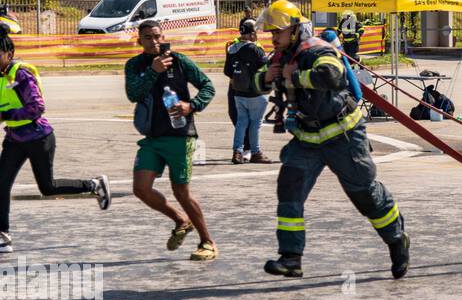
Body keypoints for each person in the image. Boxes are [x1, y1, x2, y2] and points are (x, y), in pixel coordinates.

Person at [256, 0, 409, 279]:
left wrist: (297, 77)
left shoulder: (317, 49)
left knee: (366, 196)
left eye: (277, 32)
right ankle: (291, 258)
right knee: (289, 189)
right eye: (271, 33)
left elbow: (332, 76)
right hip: (307, 139)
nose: (272, 37)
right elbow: (245, 83)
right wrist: (265, 77)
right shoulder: (280, 57)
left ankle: (397, 238)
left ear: (293, 30)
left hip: (344, 136)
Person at [0, 27, 110, 254]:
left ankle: (94, 185)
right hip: (14, 139)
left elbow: (37, 107)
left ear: (9, 54)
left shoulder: (20, 74)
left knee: (47, 187)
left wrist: (6, 116)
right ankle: (3, 235)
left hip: (38, 137)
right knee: (1, 185)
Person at [125, 20, 219, 261]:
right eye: (147, 37)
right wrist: (153, 71)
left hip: (179, 136)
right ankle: (180, 220)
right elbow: (133, 93)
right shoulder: (135, 65)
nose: (154, 41)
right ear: (140, 41)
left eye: (156, 36)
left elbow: (208, 86)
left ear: (163, 35)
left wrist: (192, 106)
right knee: (141, 189)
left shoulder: (179, 61)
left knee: (181, 193)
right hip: (152, 137)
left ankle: (207, 241)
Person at [224, 18, 273, 164]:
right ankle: (255, 152)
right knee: (255, 124)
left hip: (238, 92)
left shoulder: (232, 49)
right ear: (252, 34)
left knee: (241, 122)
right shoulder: (255, 49)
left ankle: (237, 152)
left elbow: (227, 71)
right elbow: (266, 66)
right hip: (255, 92)